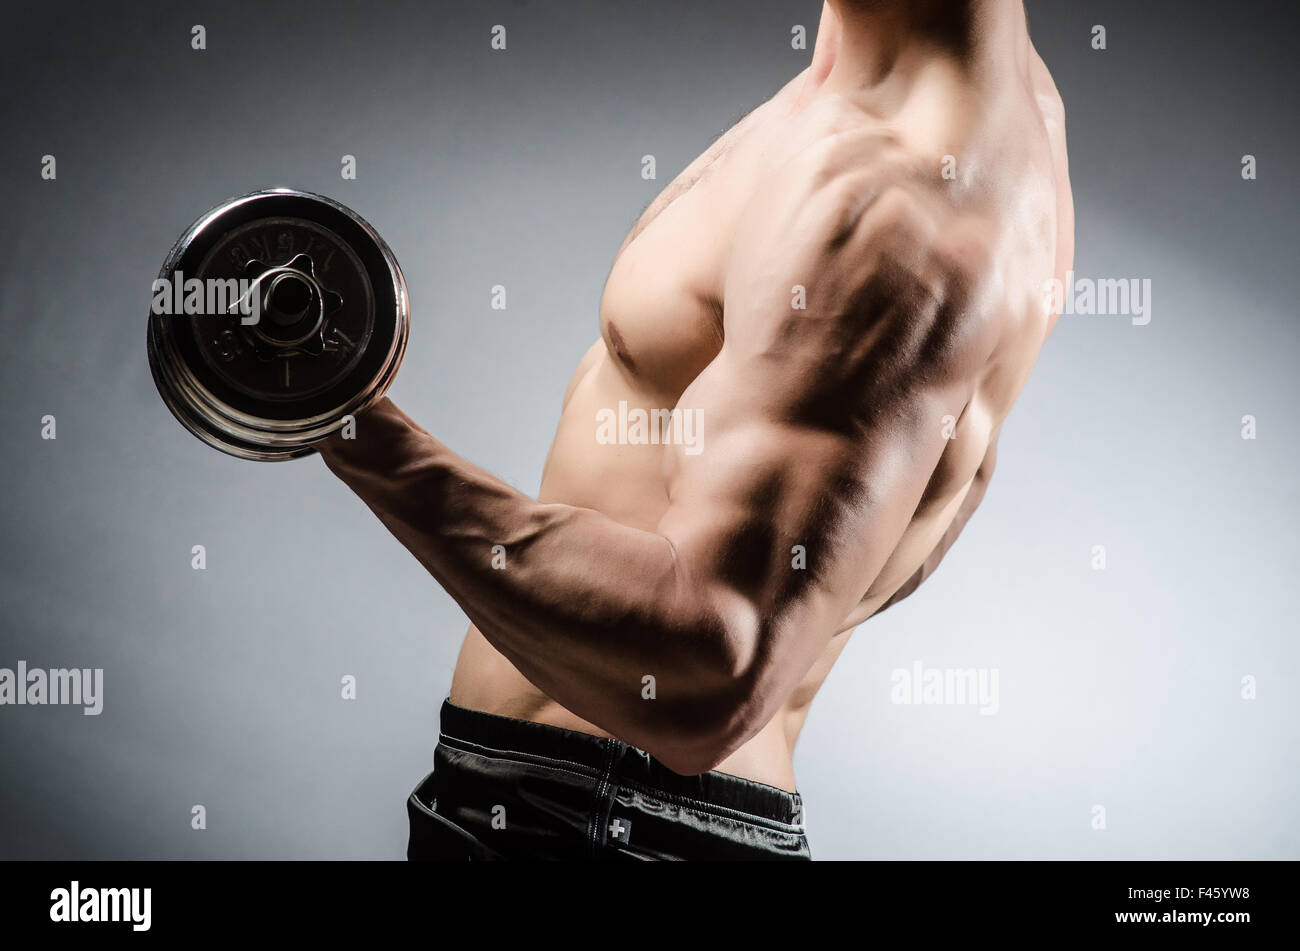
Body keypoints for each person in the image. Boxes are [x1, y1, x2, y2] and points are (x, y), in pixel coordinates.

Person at [319, 0, 1073, 860]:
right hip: (580, 806)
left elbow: (711, 668)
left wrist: (348, 423)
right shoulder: (968, 100)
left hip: (594, 822)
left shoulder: (898, 196)